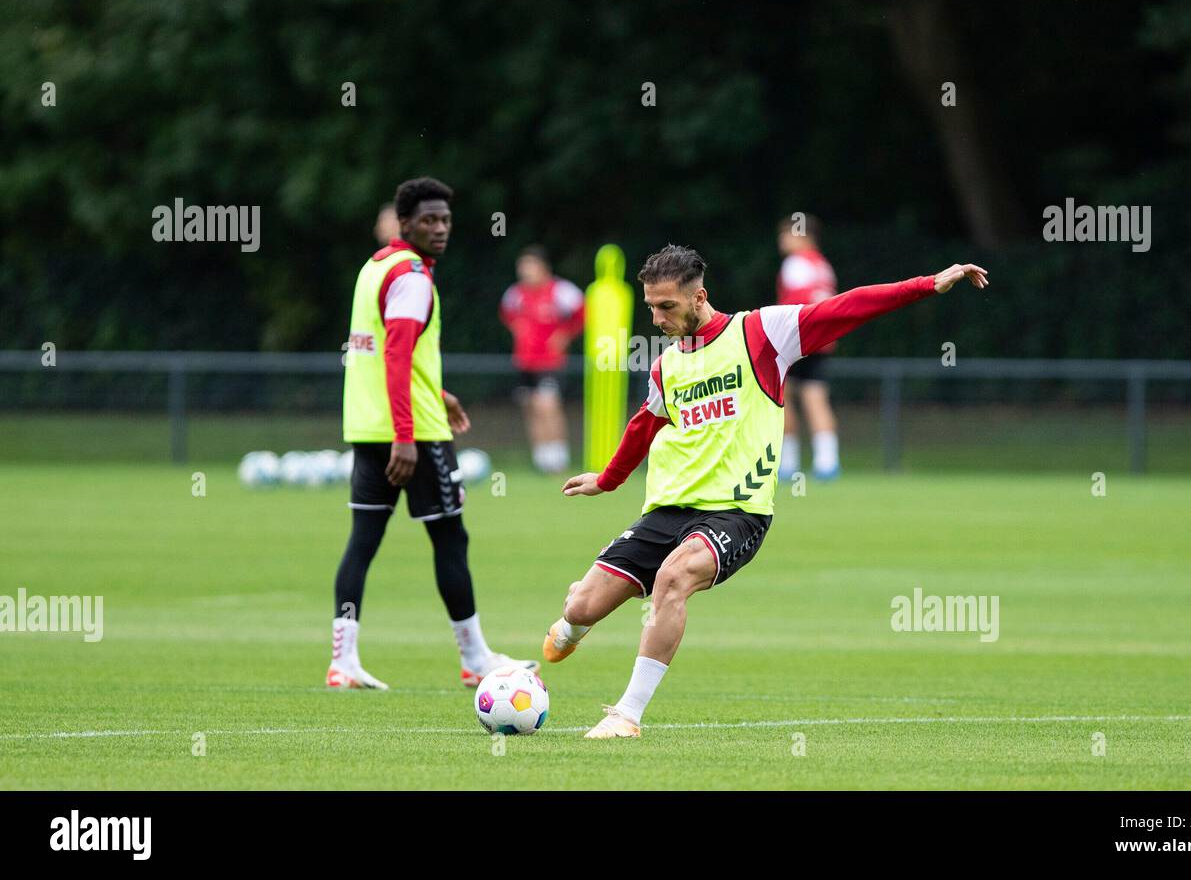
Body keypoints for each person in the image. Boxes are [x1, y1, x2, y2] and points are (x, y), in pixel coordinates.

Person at [543, 244, 988, 737]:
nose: (656, 318)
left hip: (737, 514)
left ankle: (627, 715)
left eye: (666, 306)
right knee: (581, 608)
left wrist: (929, 282)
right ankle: (573, 619)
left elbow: (847, 307)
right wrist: (606, 480)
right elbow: (645, 425)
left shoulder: (761, 334)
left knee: (673, 579)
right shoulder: (666, 365)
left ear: (699, 297)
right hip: (666, 512)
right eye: (650, 306)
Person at [330, 176, 537, 690]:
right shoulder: (413, 278)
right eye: (428, 220)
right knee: (450, 536)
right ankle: (475, 658)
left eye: (445, 220)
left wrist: (436, 392)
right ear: (404, 224)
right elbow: (397, 354)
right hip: (413, 435)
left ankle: (343, 659)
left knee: (363, 540)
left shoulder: (377, 266)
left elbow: (382, 351)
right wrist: (408, 432)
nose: (440, 229)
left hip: (367, 425)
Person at [499, 247, 585, 473]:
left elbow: (583, 313)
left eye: (529, 266)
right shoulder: (516, 293)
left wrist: (565, 335)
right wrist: (517, 330)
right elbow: (507, 314)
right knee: (530, 406)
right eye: (522, 266)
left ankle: (558, 459)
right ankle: (542, 459)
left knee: (547, 406)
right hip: (524, 361)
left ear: (543, 267)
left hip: (550, 362)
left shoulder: (561, 291)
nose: (524, 271)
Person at [775, 215, 840, 480]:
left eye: (786, 234)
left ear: (802, 236)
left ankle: (787, 463)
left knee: (783, 397)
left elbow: (795, 303)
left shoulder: (795, 263)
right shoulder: (823, 265)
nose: (782, 240)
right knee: (816, 397)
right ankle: (827, 462)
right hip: (822, 338)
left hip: (796, 337)